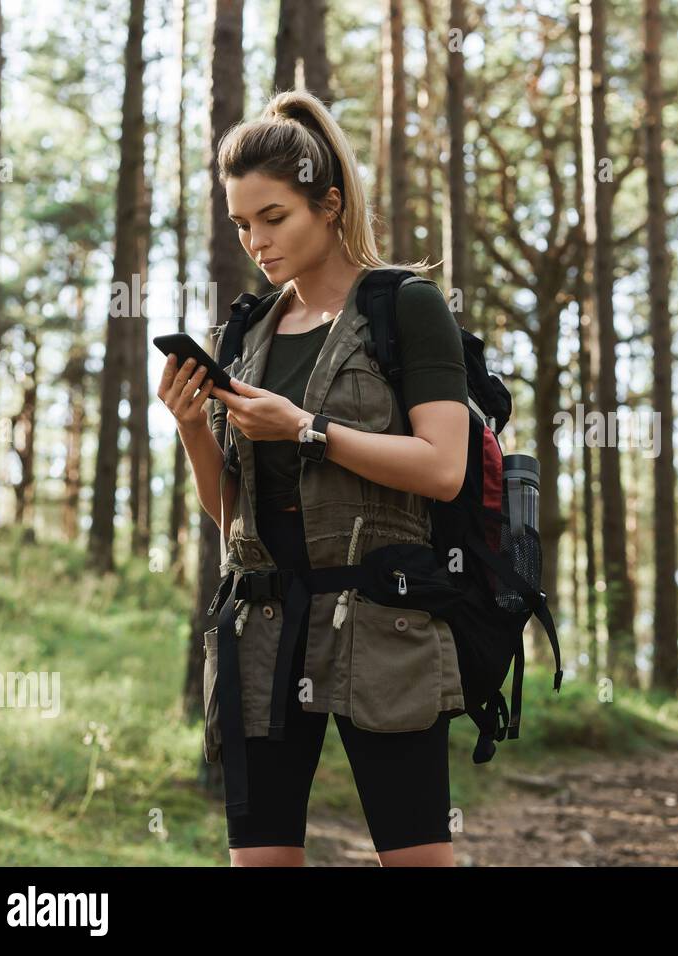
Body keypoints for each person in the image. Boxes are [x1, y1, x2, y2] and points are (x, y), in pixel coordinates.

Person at [157, 89, 470, 867]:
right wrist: (196, 427)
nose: (255, 242)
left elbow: (444, 468)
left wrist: (308, 430)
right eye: (241, 224)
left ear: (329, 205)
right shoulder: (246, 331)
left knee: (418, 859)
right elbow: (234, 517)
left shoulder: (405, 306)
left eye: (274, 217)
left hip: (382, 625)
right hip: (259, 632)